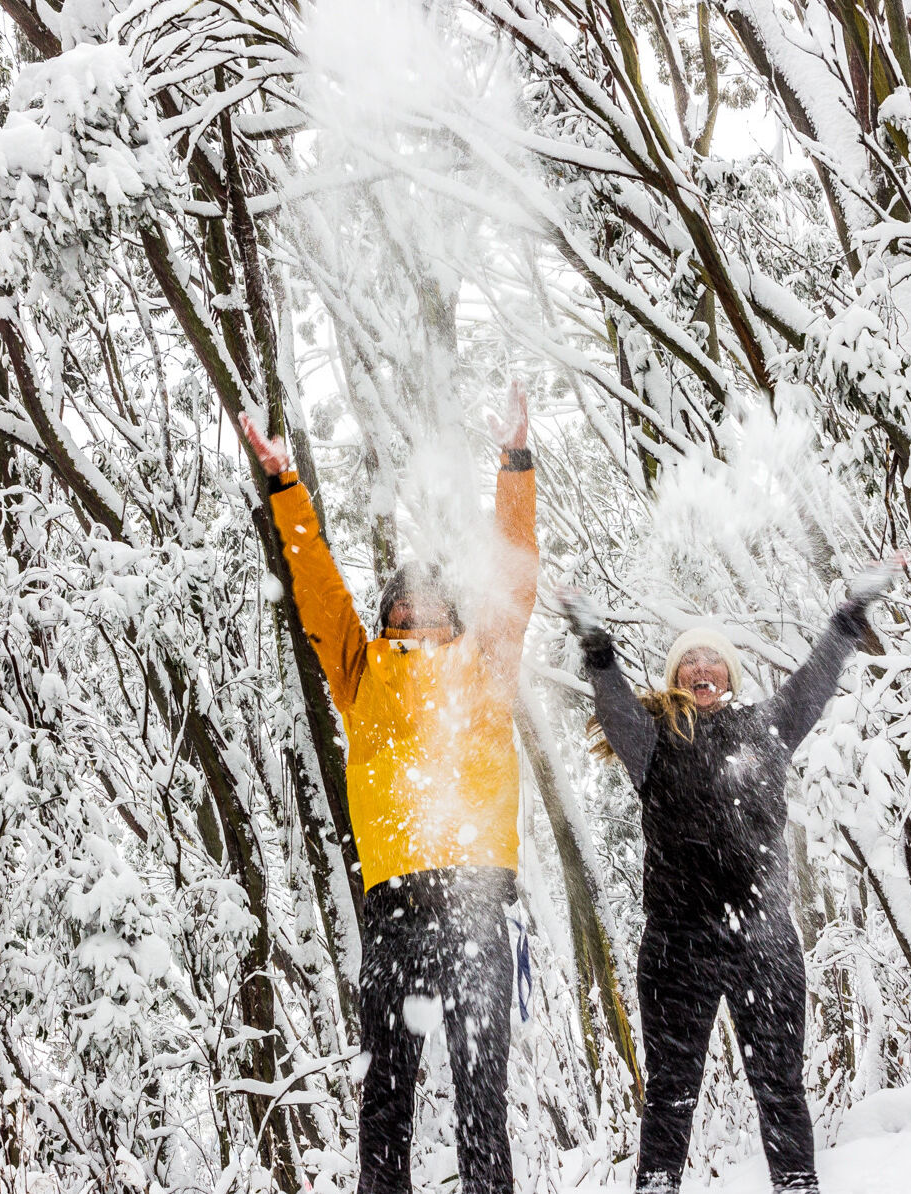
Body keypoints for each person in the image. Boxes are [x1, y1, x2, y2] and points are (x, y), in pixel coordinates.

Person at [239, 386, 536, 1194]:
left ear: (453, 614)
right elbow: (317, 588)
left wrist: (515, 462)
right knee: (386, 1099)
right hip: (397, 909)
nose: (418, 612)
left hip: (478, 904)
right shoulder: (362, 673)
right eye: (403, 604)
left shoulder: (486, 668)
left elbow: (515, 578)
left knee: (482, 1097)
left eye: (431, 602)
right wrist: (285, 486)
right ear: (386, 617)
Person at [557, 567, 899, 1194]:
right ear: (677, 678)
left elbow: (813, 682)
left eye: (712, 658)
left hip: (762, 939)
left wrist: (850, 617)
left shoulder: (768, 729)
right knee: (670, 1092)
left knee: (780, 1087)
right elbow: (614, 706)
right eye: (689, 660)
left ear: (730, 676)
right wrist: (596, 646)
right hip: (677, 944)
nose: (701, 666)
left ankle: (796, 1185)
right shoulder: (653, 741)